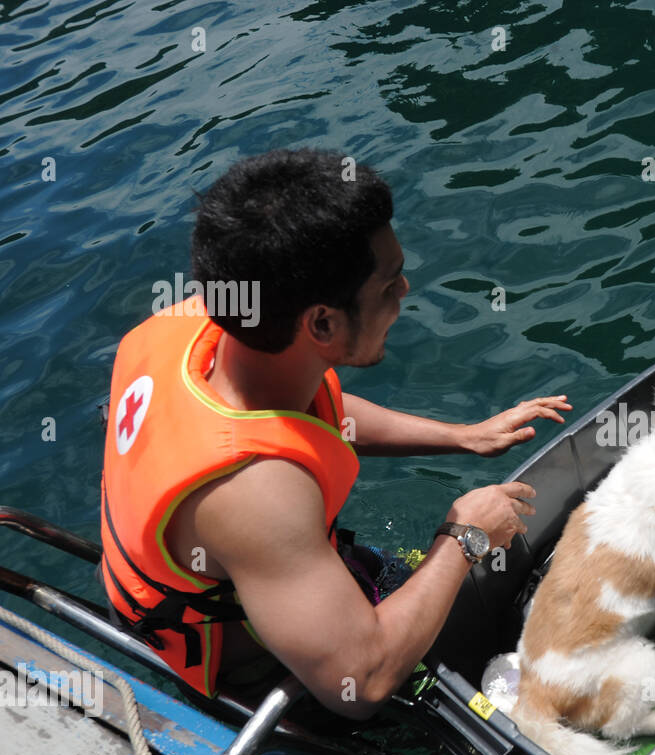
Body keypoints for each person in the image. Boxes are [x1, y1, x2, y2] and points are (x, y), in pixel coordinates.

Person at [99, 149, 568, 718]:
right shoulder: (252, 494)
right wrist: (463, 538)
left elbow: (315, 411)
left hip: (277, 574)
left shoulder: (204, 322)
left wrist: (465, 435)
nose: (406, 290)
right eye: (389, 284)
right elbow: (361, 681)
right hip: (273, 667)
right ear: (321, 322)